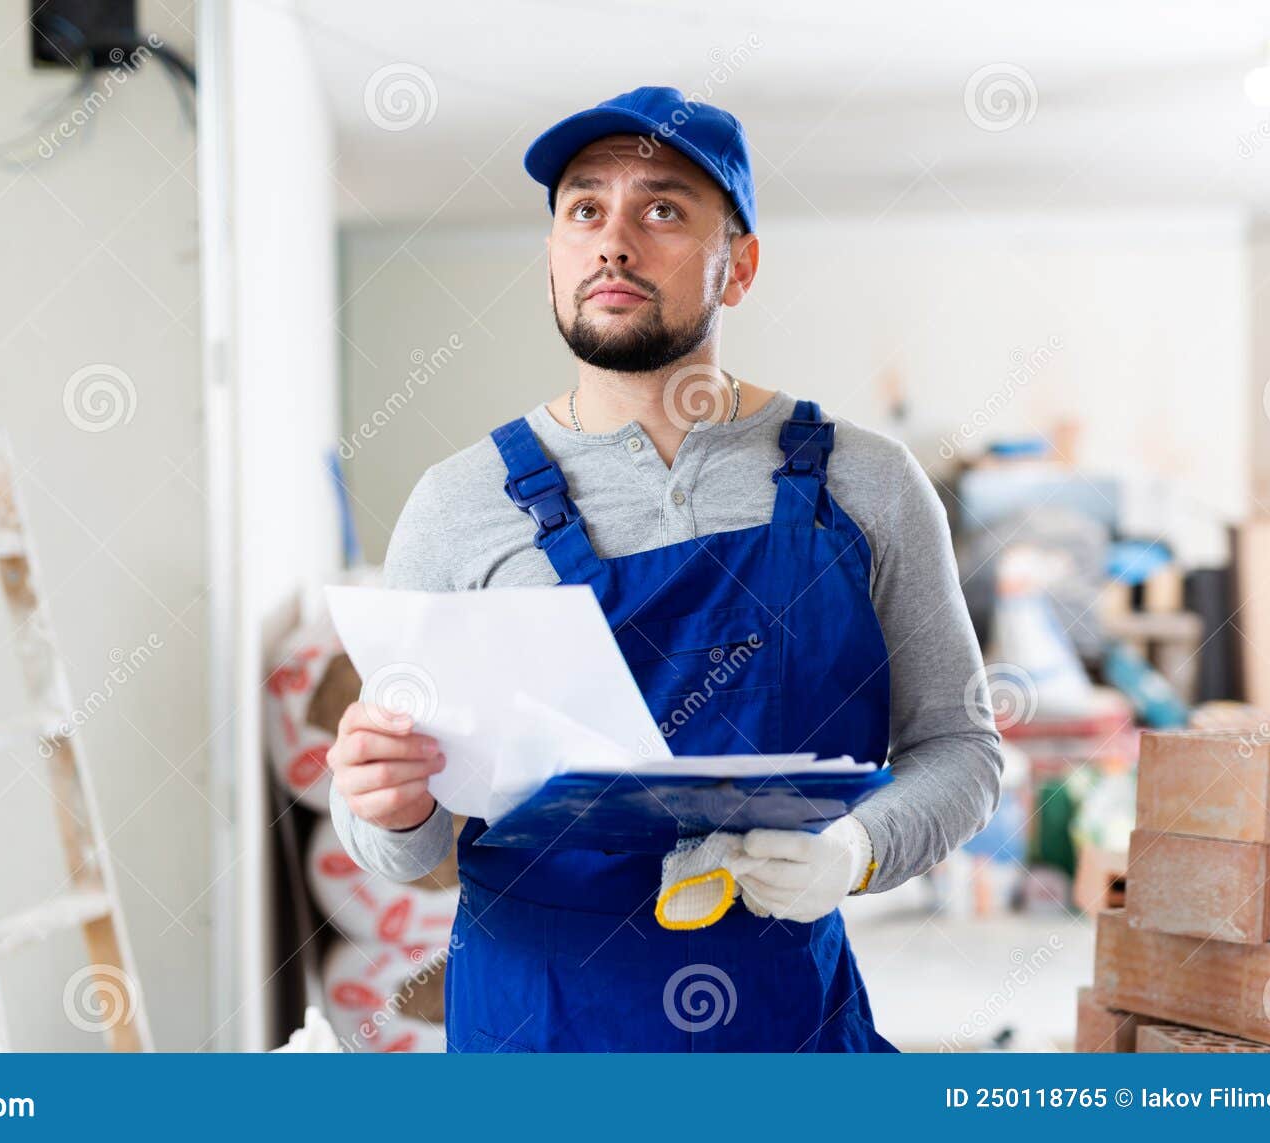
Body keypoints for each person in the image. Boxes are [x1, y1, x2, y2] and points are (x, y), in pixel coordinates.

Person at [328, 85, 1001, 1052]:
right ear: (554, 261)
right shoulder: (459, 503)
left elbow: (961, 749)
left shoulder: (869, 483)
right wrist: (388, 806)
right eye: (584, 209)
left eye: (663, 210)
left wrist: (853, 851)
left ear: (741, 267)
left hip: (784, 1035)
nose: (613, 240)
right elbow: (409, 846)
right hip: (539, 1041)